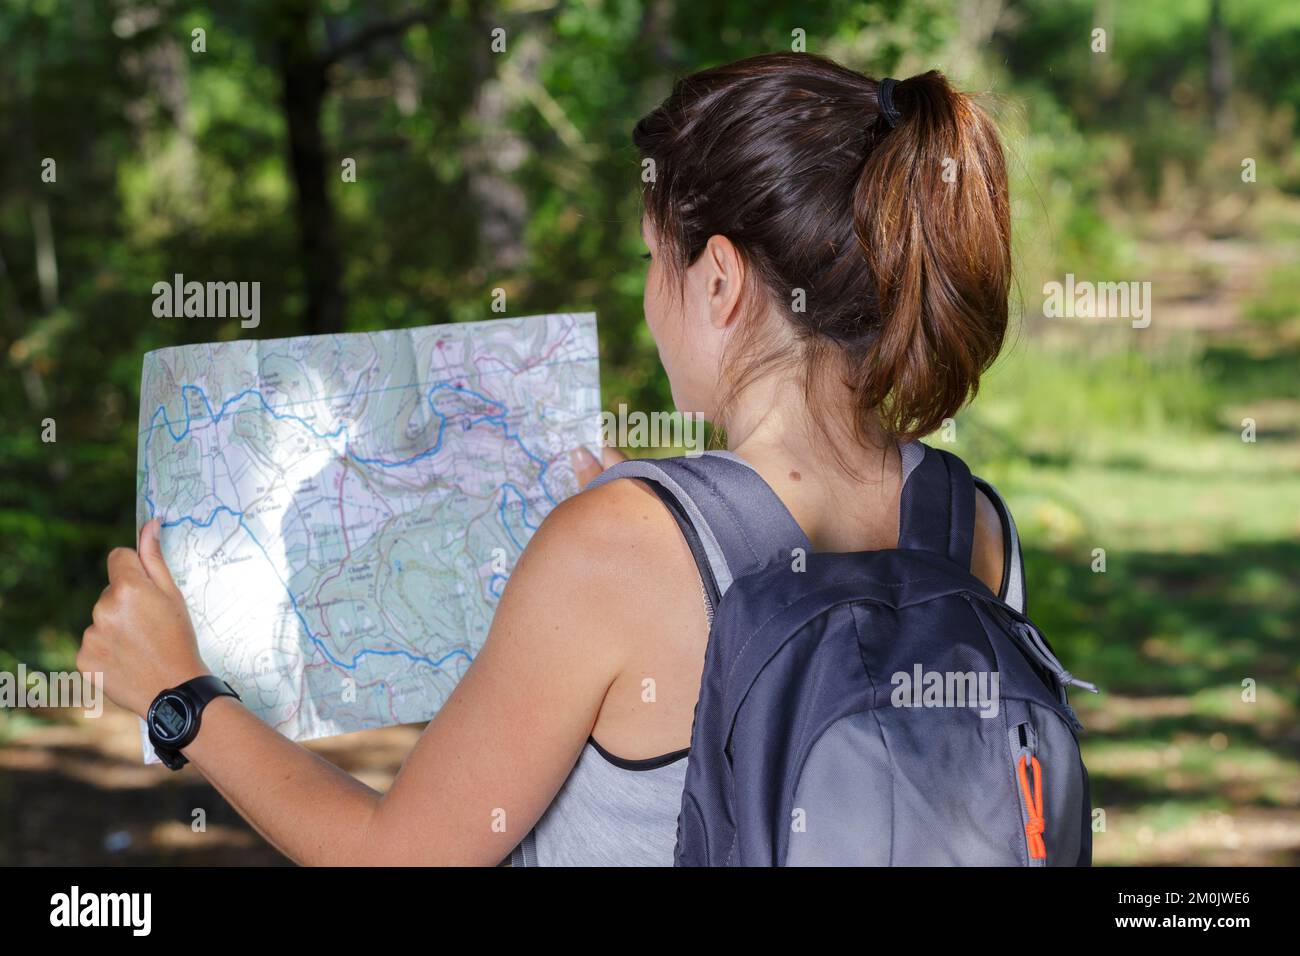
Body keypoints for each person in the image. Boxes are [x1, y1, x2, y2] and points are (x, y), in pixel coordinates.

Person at [81, 52, 1012, 866]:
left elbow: (392, 858)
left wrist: (181, 695)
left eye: (657, 259)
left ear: (720, 280)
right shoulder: (973, 523)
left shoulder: (620, 546)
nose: (653, 297)